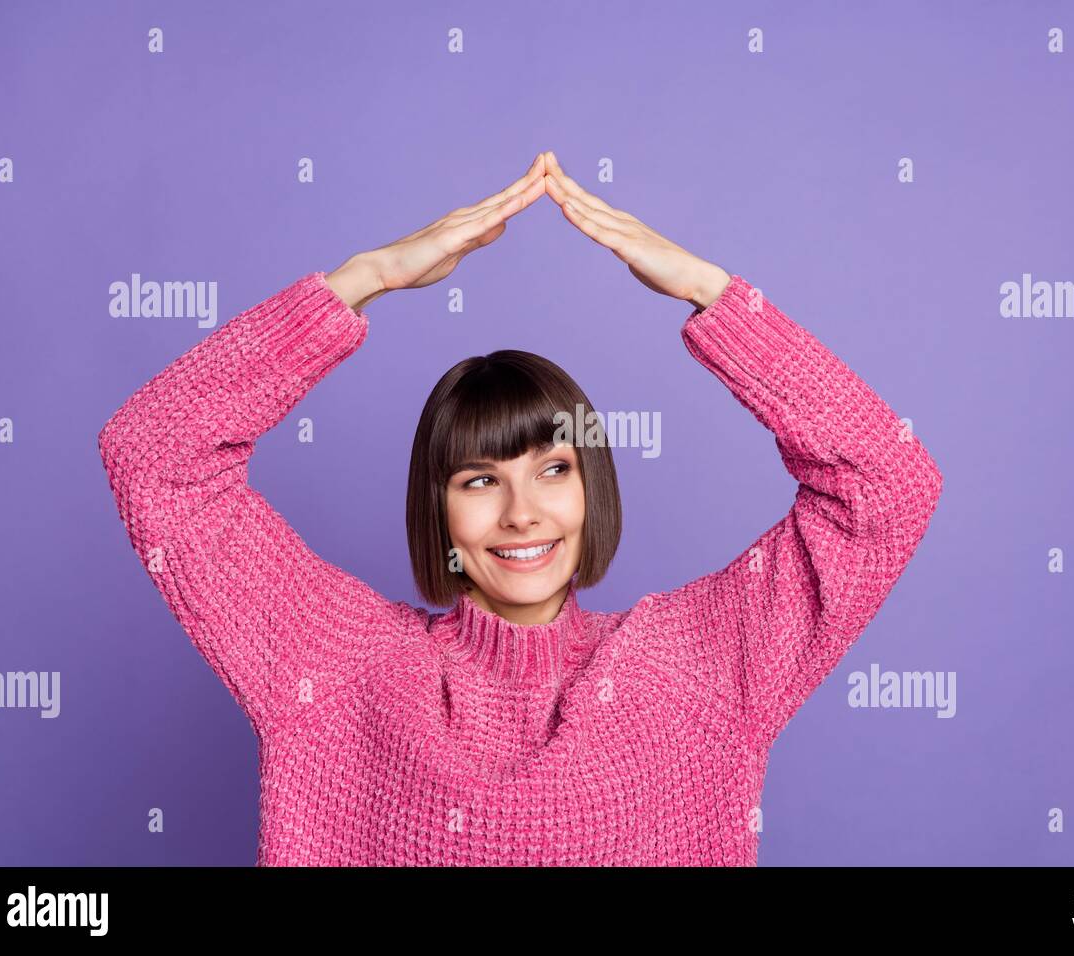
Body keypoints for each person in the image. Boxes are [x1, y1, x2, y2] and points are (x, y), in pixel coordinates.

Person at [98, 151, 944, 866]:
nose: (521, 514)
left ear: (592, 486)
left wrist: (710, 293)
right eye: (477, 480)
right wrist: (363, 281)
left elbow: (885, 486)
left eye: (552, 469)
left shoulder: (701, 667)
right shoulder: (333, 665)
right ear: (438, 509)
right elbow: (153, 454)